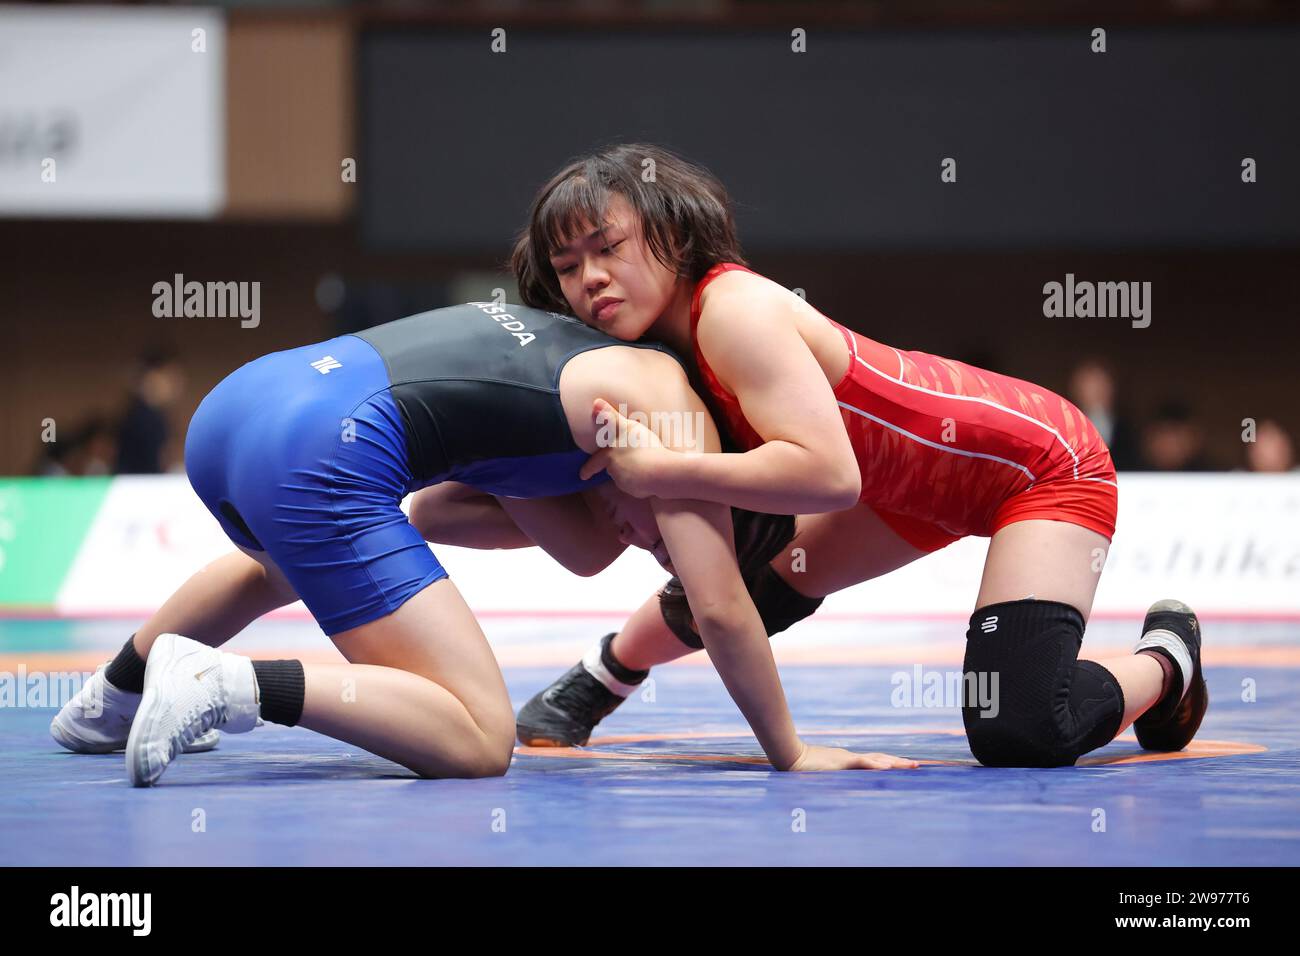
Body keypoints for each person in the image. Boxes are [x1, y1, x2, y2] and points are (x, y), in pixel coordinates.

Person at [504, 143, 1207, 767]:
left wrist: (666, 471)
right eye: (568, 266)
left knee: (1020, 731)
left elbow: (828, 476)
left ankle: (1168, 659)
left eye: (607, 248)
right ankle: (597, 683)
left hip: (1042, 466)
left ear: (673, 233)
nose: (590, 278)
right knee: (751, 582)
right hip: (906, 486)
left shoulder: (734, 312)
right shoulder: (657, 353)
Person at [51, 301, 915, 786]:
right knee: (476, 738)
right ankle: (225, 680)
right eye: (669, 543)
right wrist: (791, 752)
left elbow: (436, 518)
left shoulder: (584, 394)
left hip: (240, 412)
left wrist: (610, 510)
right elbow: (722, 608)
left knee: (284, 561)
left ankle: (109, 700)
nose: (648, 542)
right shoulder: (668, 410)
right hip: (318, 448)